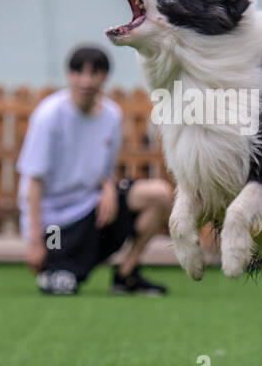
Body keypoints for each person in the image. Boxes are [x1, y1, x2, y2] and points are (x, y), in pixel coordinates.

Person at [16, 45, 173, 296]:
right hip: (53, 222)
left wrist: (109, 189)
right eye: (79, 72)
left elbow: (104, 170)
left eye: (94, 73)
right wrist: (35, 242)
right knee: (58, 283)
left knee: (160, 194)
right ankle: (56, 266)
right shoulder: (49, 116)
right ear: (69, 75)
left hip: (92, 208)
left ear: (105, 77)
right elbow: (32, 181)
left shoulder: (112, 115)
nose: (86, 81)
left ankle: (126, 273)